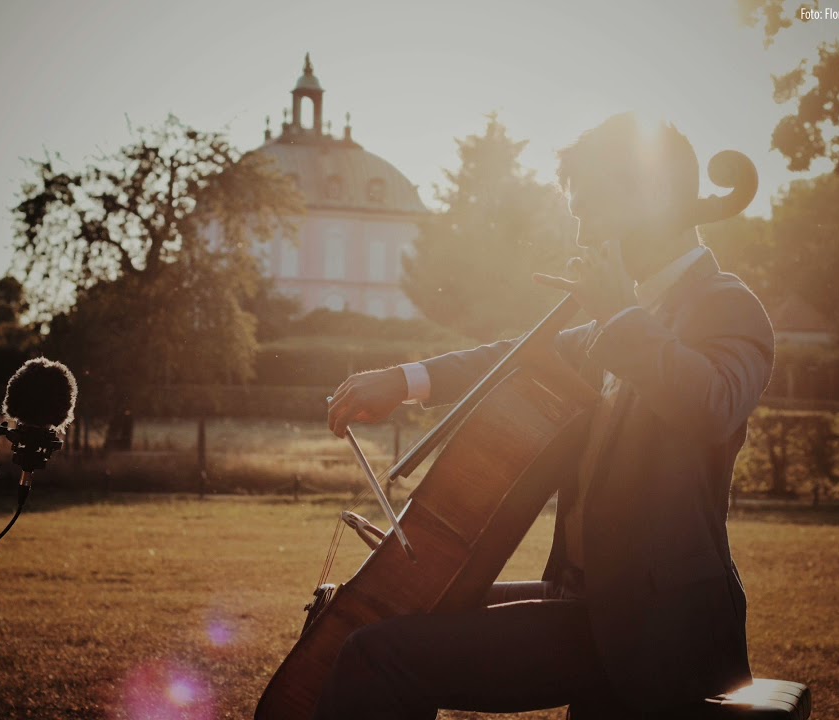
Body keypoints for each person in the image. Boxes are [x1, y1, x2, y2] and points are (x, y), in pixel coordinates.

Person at [319, 112, 775, 719]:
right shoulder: (626, 318)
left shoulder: (727, 309)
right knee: (385, 620)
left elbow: (711, 407)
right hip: (584, 600)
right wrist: (403, 380)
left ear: (653, 200)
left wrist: (618, 316)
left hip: (656, 624)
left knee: (380, 655)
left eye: (590, 208)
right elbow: (510, 358)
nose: (583, 233)